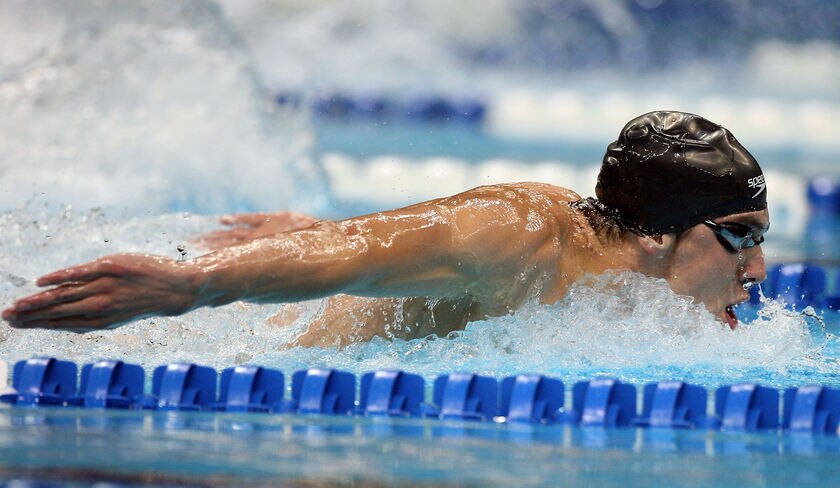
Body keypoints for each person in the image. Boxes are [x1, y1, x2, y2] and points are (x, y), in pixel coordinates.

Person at [2, 111, 769, 345]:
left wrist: (324, 229)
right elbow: (356, 257)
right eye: (738, 235)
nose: (759, 269)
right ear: (657, 233)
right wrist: (191, 287)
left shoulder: (655, 305)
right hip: (258, 349)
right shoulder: (523, 233)